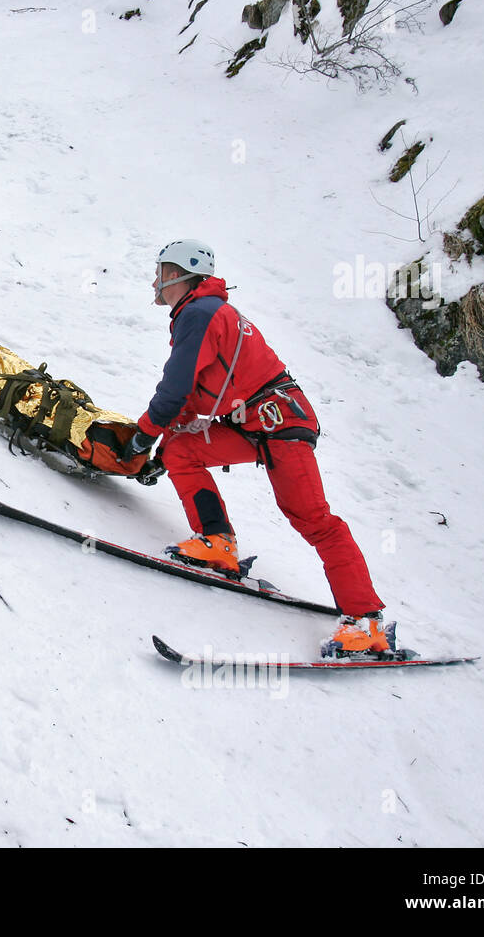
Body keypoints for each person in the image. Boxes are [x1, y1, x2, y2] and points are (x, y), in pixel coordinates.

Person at [117, 240, 393, 658]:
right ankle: (216, 543)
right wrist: (159, 447)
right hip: (254, 424)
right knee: (181, 451)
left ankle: (367, 622)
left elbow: (175, 389)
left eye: (158, 272)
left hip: (280, 423)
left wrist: (143, 434)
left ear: (175, 274)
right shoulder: (203, 312)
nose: (153, 281)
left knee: (314, 519)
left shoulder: (198, 312)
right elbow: (193, 394)